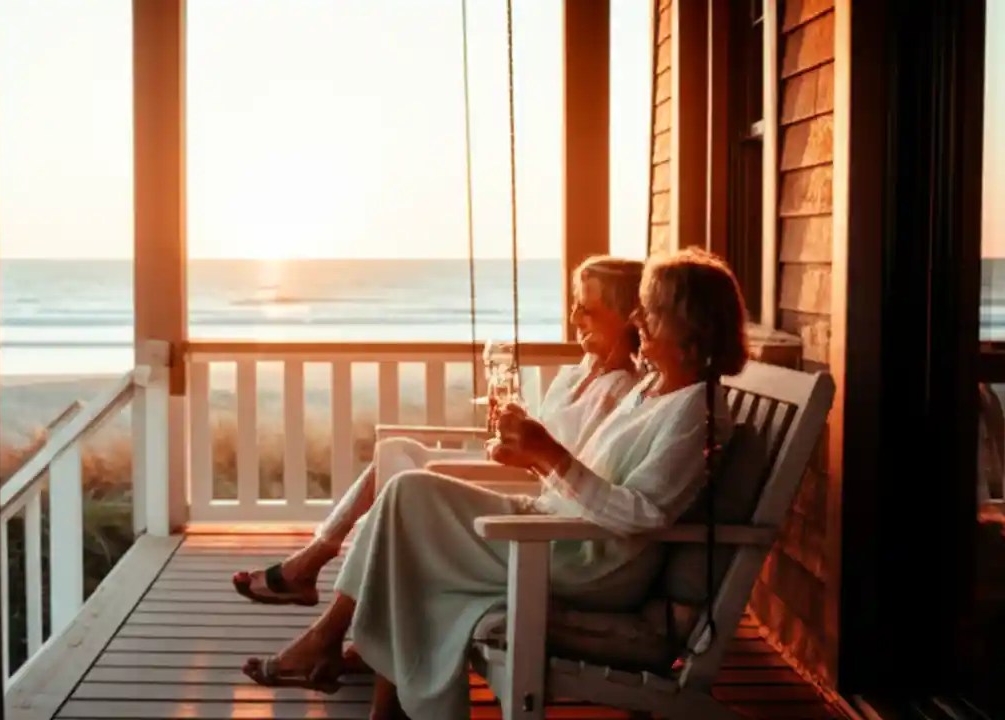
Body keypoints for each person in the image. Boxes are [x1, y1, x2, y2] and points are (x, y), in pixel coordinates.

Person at [241, 248, 751, 719]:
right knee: (407, 499)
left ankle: (338, 646)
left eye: (651, 312)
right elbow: (590, 475)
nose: (638, 322)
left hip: (596, 561)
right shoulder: (655, 389)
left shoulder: (696, 414)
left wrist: (548, 455)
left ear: (692, 330)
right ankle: (357, 671)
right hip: (561, 531)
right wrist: (539, 460)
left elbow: (643, 514)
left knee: (410, 497)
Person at [231, 255, 647, 607]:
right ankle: (319, 561)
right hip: (521, 472)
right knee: (397, 451)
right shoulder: (581, 372)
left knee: (404, 481)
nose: (574, 317)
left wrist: (528, 446)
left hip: (537, 496)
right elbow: (546, 436)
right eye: (574, 305)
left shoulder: (625, 390)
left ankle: (318, 578)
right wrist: (516, 424)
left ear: (625, 315)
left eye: (586, 309)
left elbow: (573, 466)